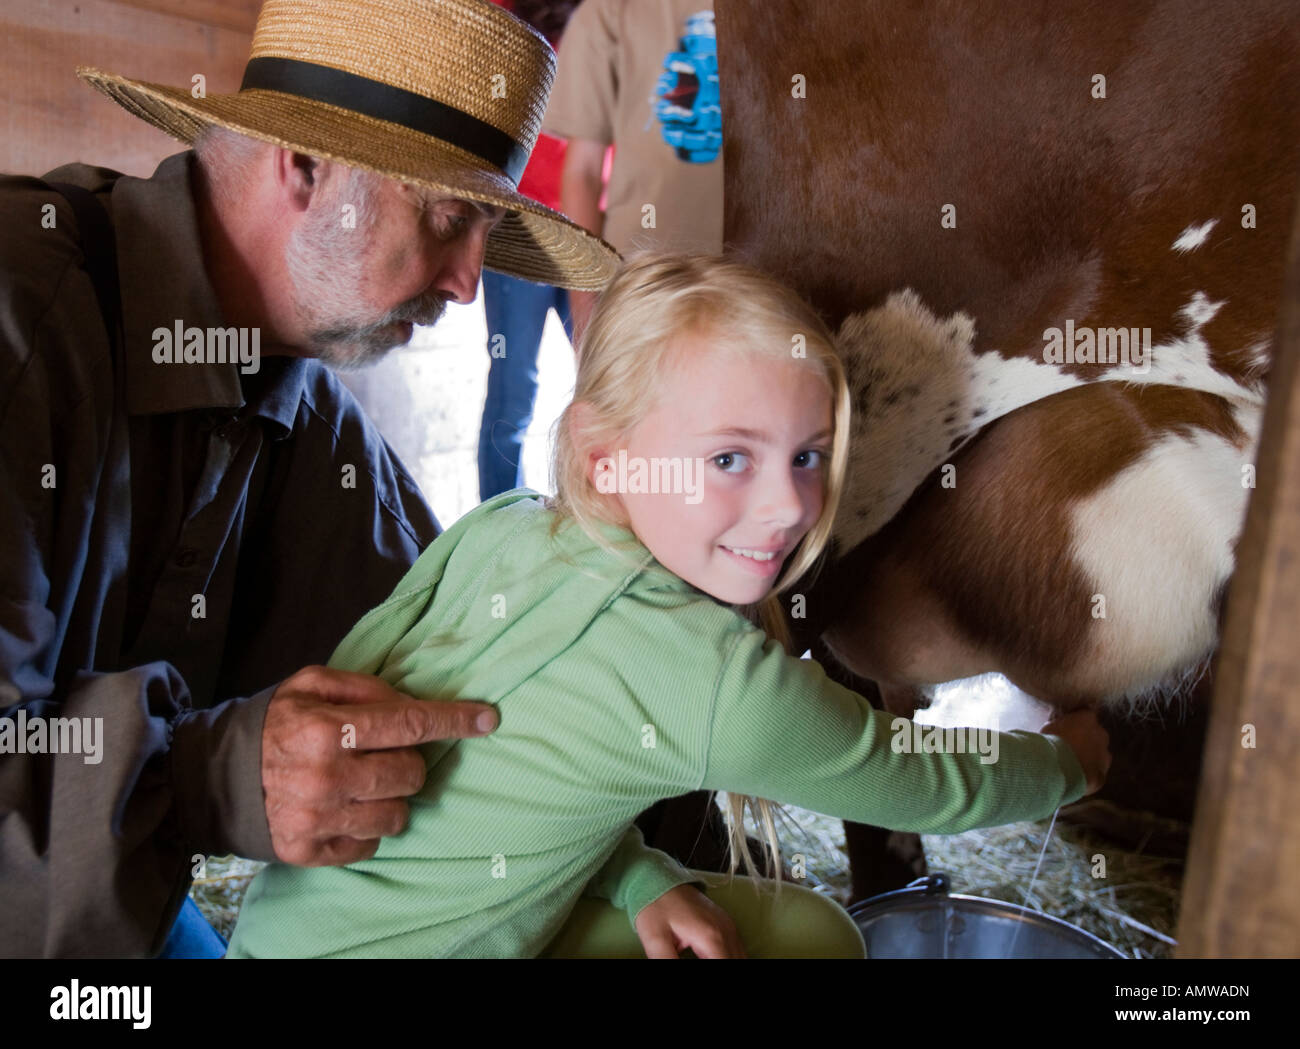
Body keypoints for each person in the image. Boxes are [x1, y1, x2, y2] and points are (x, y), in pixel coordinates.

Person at [226, 253, 1111, 959]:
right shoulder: (714, 680)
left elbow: (493, 792)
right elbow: (911, 774)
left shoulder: (501, 531)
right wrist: (1063, 762)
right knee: (819, 937)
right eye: (731, 458)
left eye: (809, 455)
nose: (790, 506)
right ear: (605, 456)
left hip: (269, 938)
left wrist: (642, 879)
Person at [0, 0, 623, 958]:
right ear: (305, 167)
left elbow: (463, 645)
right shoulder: (18, 320)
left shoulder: (301, 413)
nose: (469, 281)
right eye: (453, 217)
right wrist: (219, 777)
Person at [545, 0, 724, 345]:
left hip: (761, 285)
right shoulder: (608, 12)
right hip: (643, 288)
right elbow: (583, 173)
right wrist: (587, 328)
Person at [477, 0, 579, 500]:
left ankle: (603, 520)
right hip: (522, 228)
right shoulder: (505, 18)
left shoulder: (603, 23)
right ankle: (496, 522)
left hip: (591, 231)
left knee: (610, 385)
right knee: (514, 391)